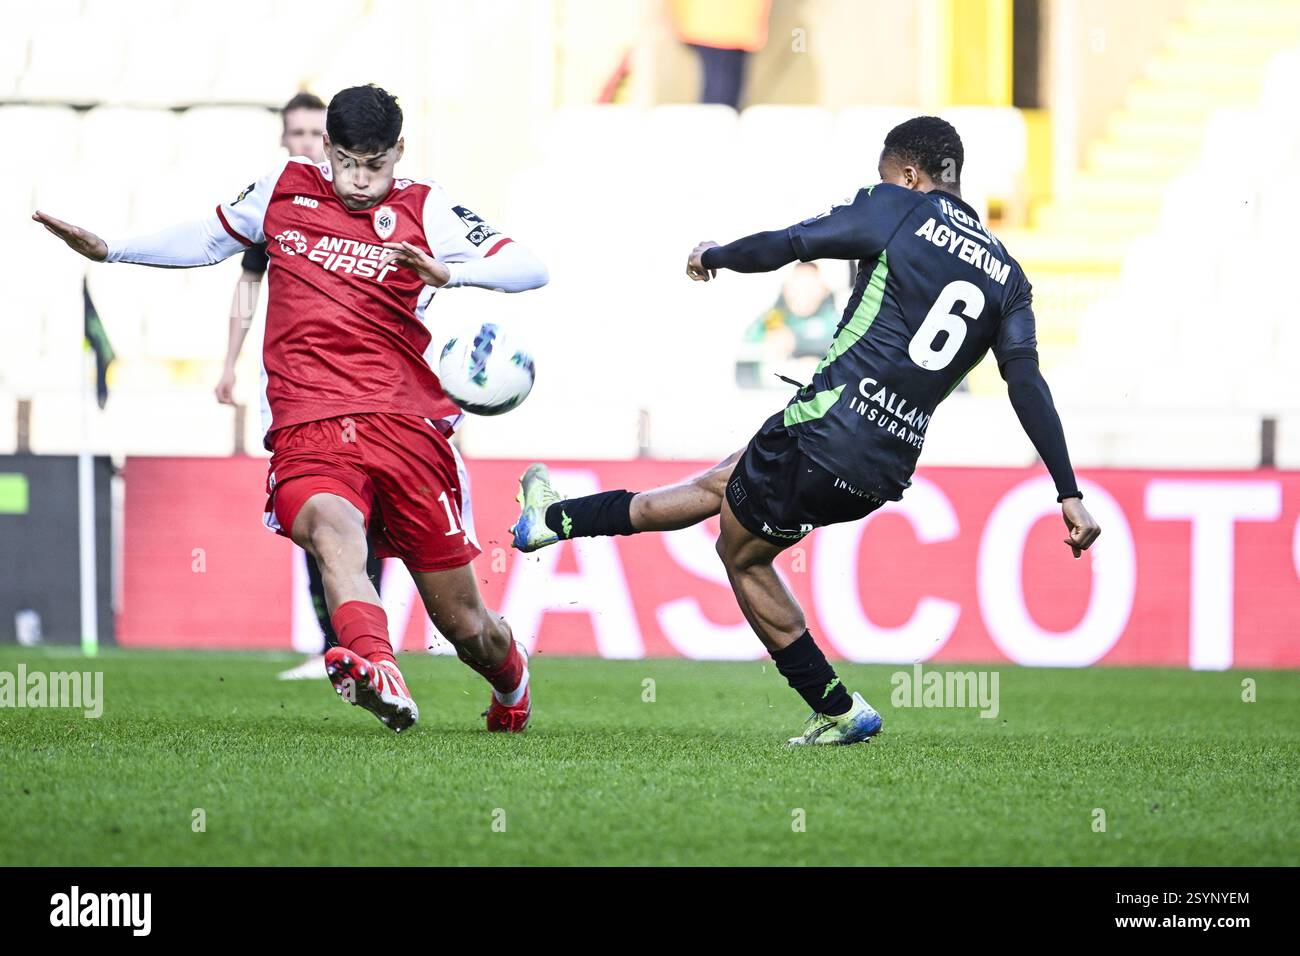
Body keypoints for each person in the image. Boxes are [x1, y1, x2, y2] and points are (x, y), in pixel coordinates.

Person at [511, 116, 1100, 746]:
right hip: (884, 467)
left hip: (824, 426)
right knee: (721, 485)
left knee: (737, 553)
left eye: (883, 179)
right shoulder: (1008, 278)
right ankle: (552, 521)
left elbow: (796, 242)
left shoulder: (899, 209)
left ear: (908, 174)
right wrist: (1067, 490)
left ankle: (839, 709)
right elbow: (1027, 385)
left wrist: (715, 256)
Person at [35, 84, 549, 734]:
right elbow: (208, 237)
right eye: (347, 163)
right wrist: (114, 249)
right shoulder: (283, 188)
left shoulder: (427, 205)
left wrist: (453, 272)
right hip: (309, 422)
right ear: (327, 148)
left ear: (398, 152)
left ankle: (512, 679)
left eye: (375, 165)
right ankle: (378, 667)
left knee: (463, 623)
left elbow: (531, 268)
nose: (361, 182)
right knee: (334, 532)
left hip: (407, 428)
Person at [211, 91, 383, 682]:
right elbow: (247, 281)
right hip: (300, 387)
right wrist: (230, 363)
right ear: (288, 140)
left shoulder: (372, 205)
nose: (309, 143)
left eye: (317, 133)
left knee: (368, 511)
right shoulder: (282, 203)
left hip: (367, 385)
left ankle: (365, 640)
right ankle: (336, 642)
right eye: (300, 134)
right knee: (320, 513)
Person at [735, 261, 839, 388]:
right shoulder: (773, 317)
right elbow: (744, 356)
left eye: (810, 286)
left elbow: (837, 344)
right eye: (797, 286)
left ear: (824, 290)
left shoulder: (834, 320)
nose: (803, 293)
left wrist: (796, 342)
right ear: (785, 288)